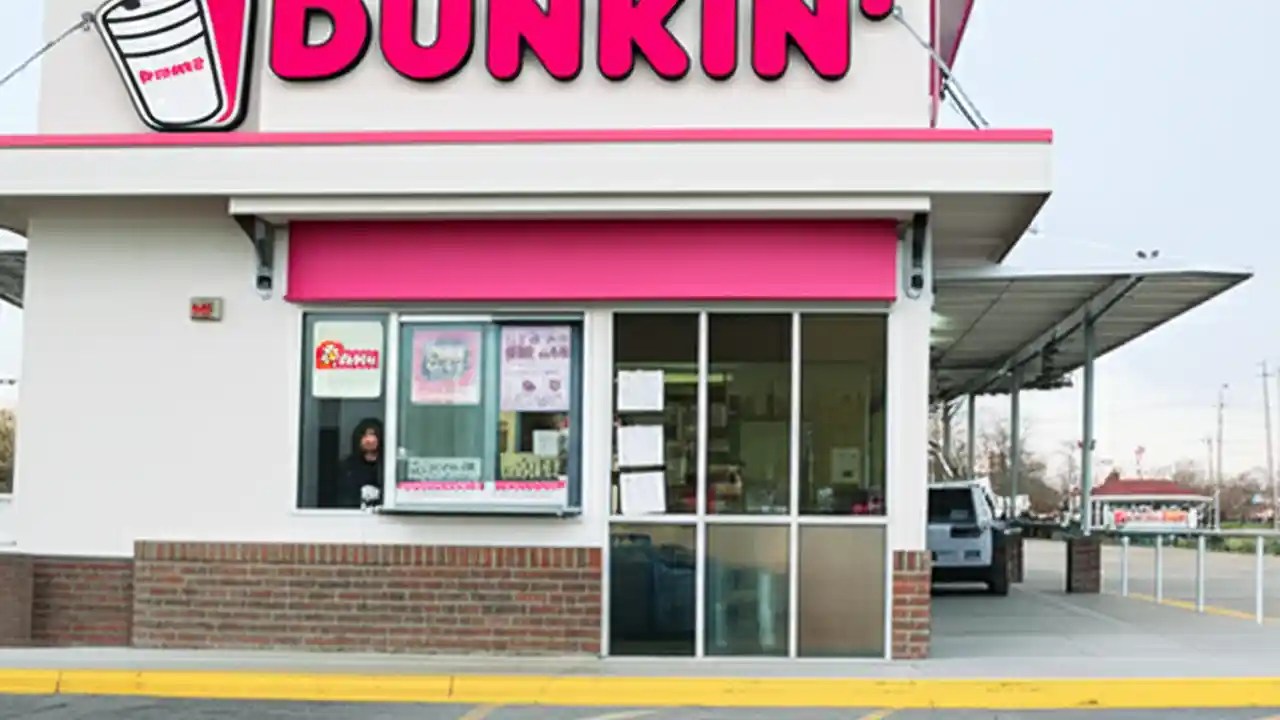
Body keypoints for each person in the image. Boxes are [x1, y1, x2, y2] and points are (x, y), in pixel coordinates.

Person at [336, 418, 383, 509]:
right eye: (364, 435)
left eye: (372, 435)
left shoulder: (387, 466)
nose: (368, 440)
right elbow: (343, 496)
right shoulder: (348, 467)